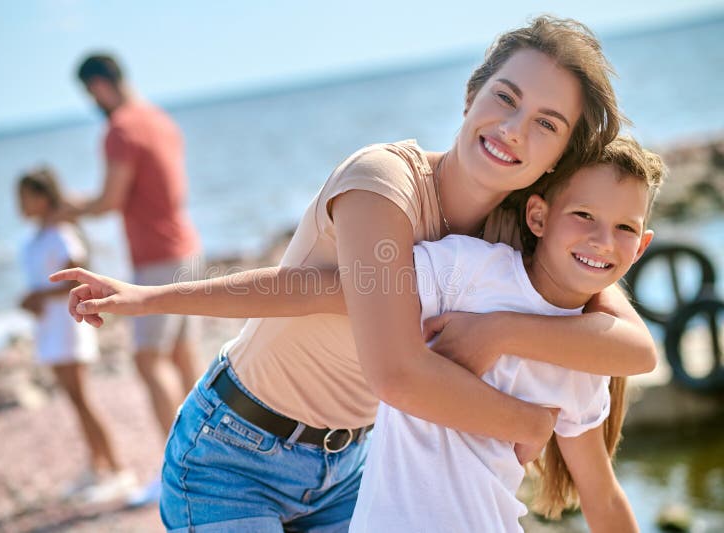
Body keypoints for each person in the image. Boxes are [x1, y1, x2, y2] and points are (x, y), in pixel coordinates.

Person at [52, 17, 658, 531]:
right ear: (472, 93)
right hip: (233, 452)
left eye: (548, 123)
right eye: (505, 96)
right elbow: (394, 370)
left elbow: (632, 347)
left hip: (354, 466)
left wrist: (498, 331)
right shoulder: (385, 185)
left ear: (559, 157)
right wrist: (528, 422)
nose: (514, 128)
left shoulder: (513, 237)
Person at [348, 136, 663, 532]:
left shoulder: (584, 358)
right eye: (584, 215)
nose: (603, 241)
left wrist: (499, 332)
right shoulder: (467, 271)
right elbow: (354, 288)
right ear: (538, 217)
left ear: (640, 247)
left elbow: (602, 496)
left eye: (624, 228)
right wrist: (244, 295)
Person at [63, 53, 205, 502]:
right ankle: (211, 459)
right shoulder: (159, 119)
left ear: (100, 84)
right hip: (187, 247)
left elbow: (108, 200)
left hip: (157, 258)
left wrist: (67, 207)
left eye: (89, 93)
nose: (91, 102)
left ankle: (180, 472)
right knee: (182, 357)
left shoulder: (121, 128)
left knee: (148, 359)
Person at [17, 167, 136, 504]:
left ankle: (119, 470)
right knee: (73, 399)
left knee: (83, 398)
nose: (20, 203)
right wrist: (36, 298)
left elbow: (78, 280)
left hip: (69, 323)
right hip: (49, 326)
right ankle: (96, 465)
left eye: (25, 196)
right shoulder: (39, 235)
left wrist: (39, 296)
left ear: (43, 197)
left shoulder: (62, 233)